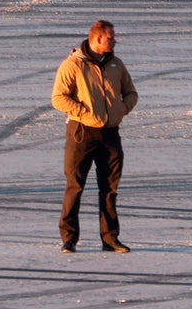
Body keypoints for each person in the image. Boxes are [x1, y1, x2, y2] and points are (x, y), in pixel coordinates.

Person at [52, 20, 138, 253]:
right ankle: (69, 238)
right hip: (82, 132)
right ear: (97, 38)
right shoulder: (73, 65)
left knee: (109, 188)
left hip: (110, 133)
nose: (115, 40)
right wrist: (84, 113)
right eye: (111, 37)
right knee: (75, 186)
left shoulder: (116, 65)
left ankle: (110, 238)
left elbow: (131, 92)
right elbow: (59, 97)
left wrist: (121, 109)